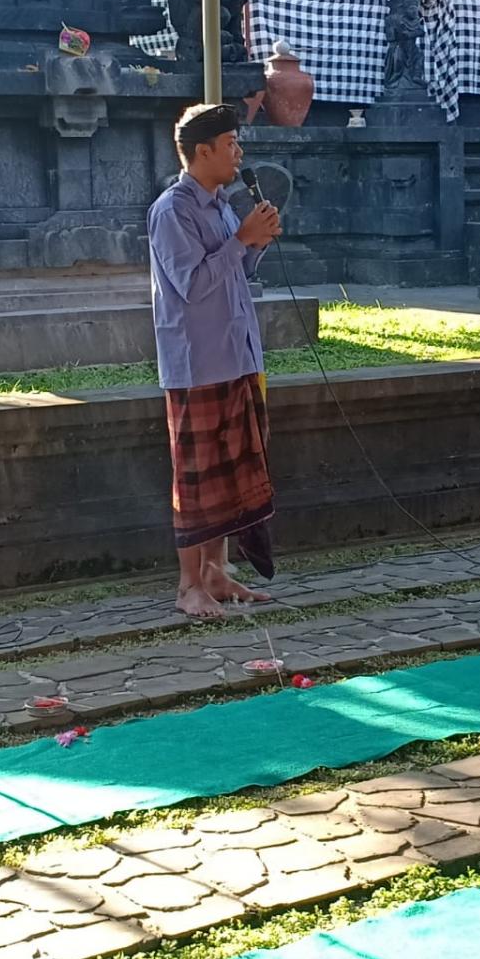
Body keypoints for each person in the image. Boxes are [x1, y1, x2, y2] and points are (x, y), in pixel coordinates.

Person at [148, 103, 283, 619]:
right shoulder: (172, 211)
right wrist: (240, 239)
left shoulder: (222, 203)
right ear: (202, 152)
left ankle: (215, 571)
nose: (238, 153)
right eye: (230, 144)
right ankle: (188, 586)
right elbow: (193, 284)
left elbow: (235, 265)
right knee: (198, 476)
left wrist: (256, 241)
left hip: (238, 353)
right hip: (197, 362)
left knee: (232, 472)